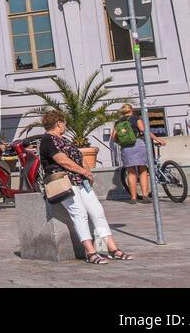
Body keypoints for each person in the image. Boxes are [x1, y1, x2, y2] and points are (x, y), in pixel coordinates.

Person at [39, 111, 132, 265]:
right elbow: (62, 161)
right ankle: (90, 251)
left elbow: (79, 156)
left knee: (98, 211)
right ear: (58, 124)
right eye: (64, 123)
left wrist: (87, 172)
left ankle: (112, 248)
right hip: (64, 181)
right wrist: (83, 171)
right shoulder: (47, 140)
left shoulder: (64, 139)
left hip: (81, 181)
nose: (66, 126)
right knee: (79, 213)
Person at [115, 103, 164, 202]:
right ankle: (145, 196)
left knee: (131, 172)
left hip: (126, 148)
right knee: (142, 170)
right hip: (138, 145)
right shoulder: (135, 119)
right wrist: (157, 139)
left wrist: (122, 143)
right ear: (131, 110)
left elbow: (113, 138)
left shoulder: (118, 122)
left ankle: (133, 198)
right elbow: (144, 130)